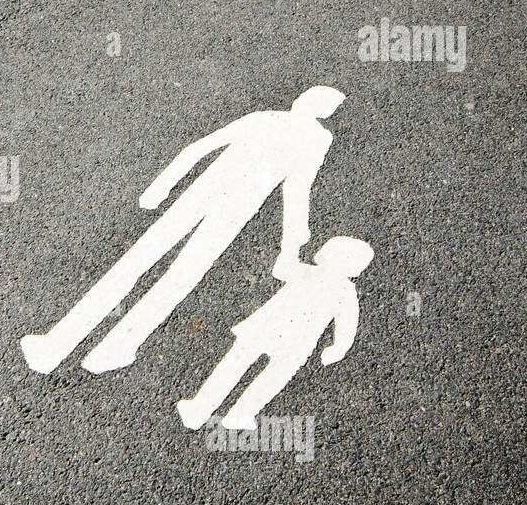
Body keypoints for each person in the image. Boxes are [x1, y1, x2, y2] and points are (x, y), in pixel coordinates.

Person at [21, 86, 345, 375]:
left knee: (135, 264)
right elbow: (297, 188)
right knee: (179, 277)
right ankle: (115, 348)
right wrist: (290, 243)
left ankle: (56, 346)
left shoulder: (268, 118)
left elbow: (199, 148)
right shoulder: (316, 138)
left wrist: (159, 190)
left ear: (302, 100)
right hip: (237, 207)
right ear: (325, 111)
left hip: (202, 195)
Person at [176, 235, 374, 431]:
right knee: (270, 377)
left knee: (235, 365)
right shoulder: (344, 291)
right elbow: (347, 322)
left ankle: (201, 409)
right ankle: (239, 414)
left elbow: (281, 270)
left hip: (268, 326)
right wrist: (338, 347)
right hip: (297, 340)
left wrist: (289, 250)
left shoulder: (309, 272)